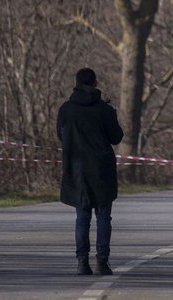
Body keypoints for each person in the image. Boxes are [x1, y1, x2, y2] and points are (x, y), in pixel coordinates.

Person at [57, 67, 124, 276]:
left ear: (76, 83)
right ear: (94, 83)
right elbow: (116, 137)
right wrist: (111, 115)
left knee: (82, 216)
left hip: (76, 169)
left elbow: (61, 135)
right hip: (101, 169)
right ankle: (102, 262)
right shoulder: (103, 110)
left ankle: (82, 261)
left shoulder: (66, 109)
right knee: (104, 216)